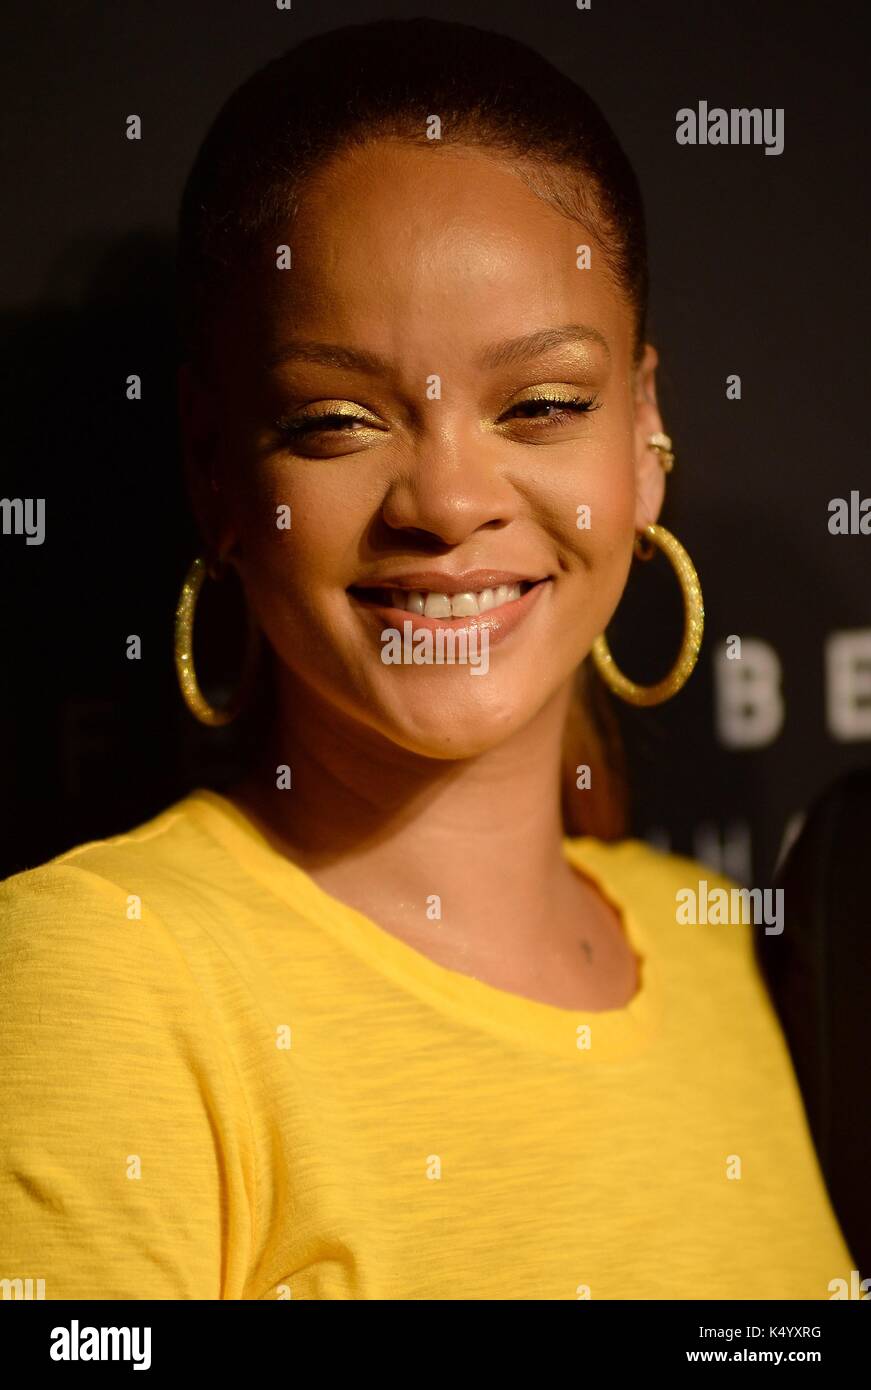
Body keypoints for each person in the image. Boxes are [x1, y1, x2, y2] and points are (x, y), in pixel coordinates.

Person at [0, 18, 853, 1300]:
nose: (446, 500)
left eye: (545, 404)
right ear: (212, 465)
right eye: (337, 419)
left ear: (646, 434)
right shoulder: (104, 972)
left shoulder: (731, 952)